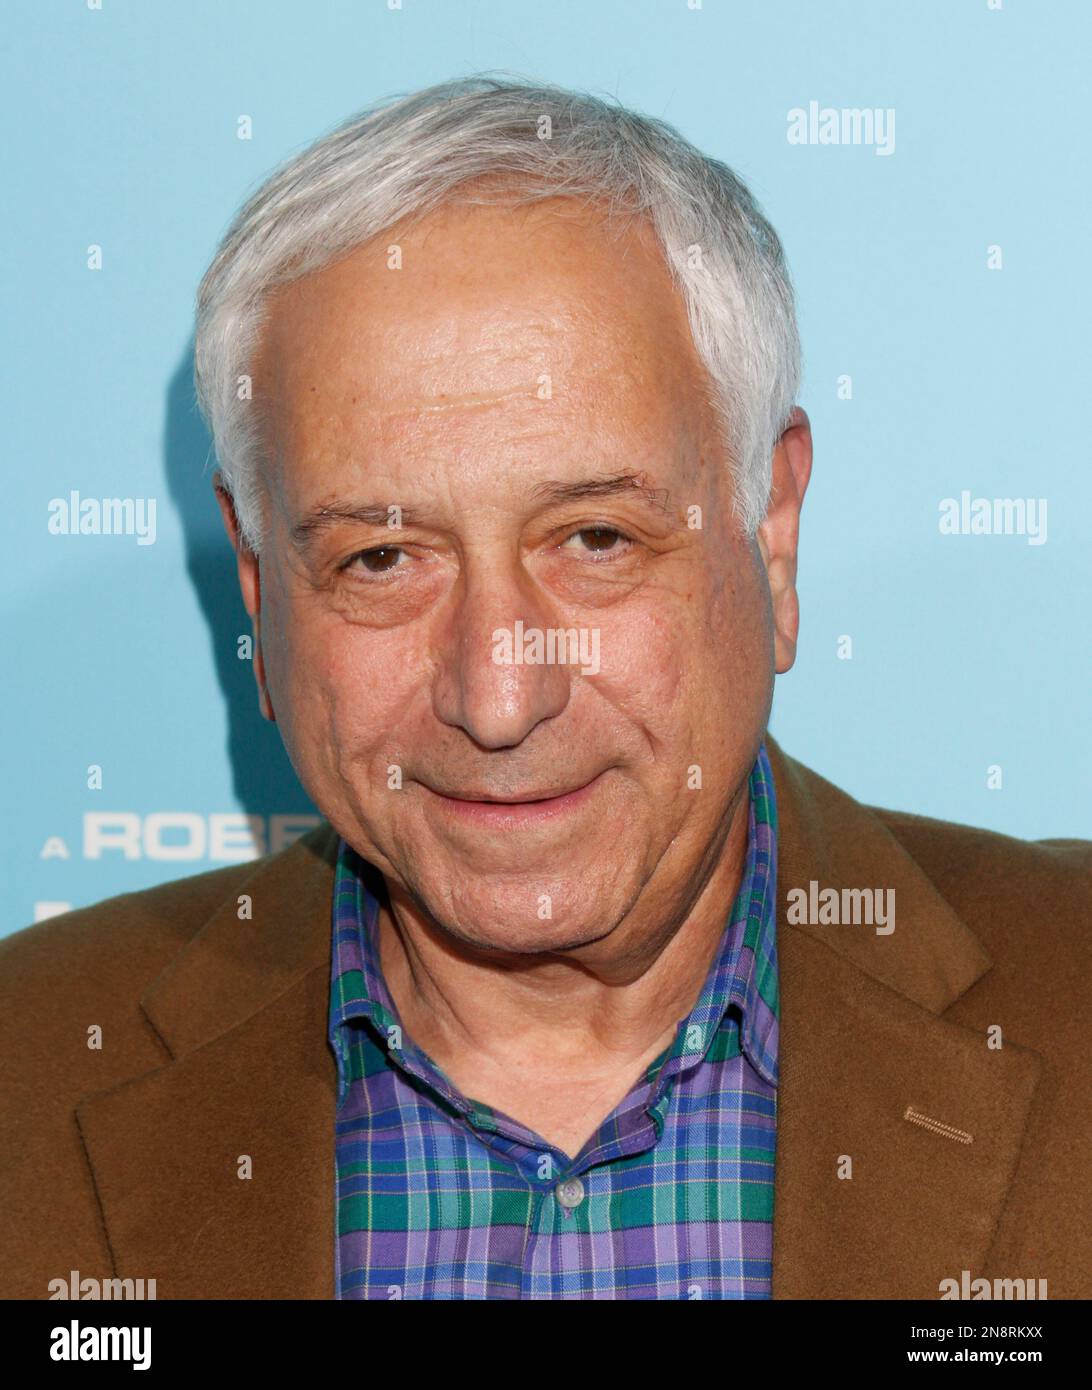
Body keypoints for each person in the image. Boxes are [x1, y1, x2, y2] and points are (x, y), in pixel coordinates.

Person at [3, 77, 1088, 1301]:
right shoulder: (22, 1078)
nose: (498, 697)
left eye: (596, 540)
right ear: (258, 586)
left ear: (770, 532)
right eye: (380, 559)